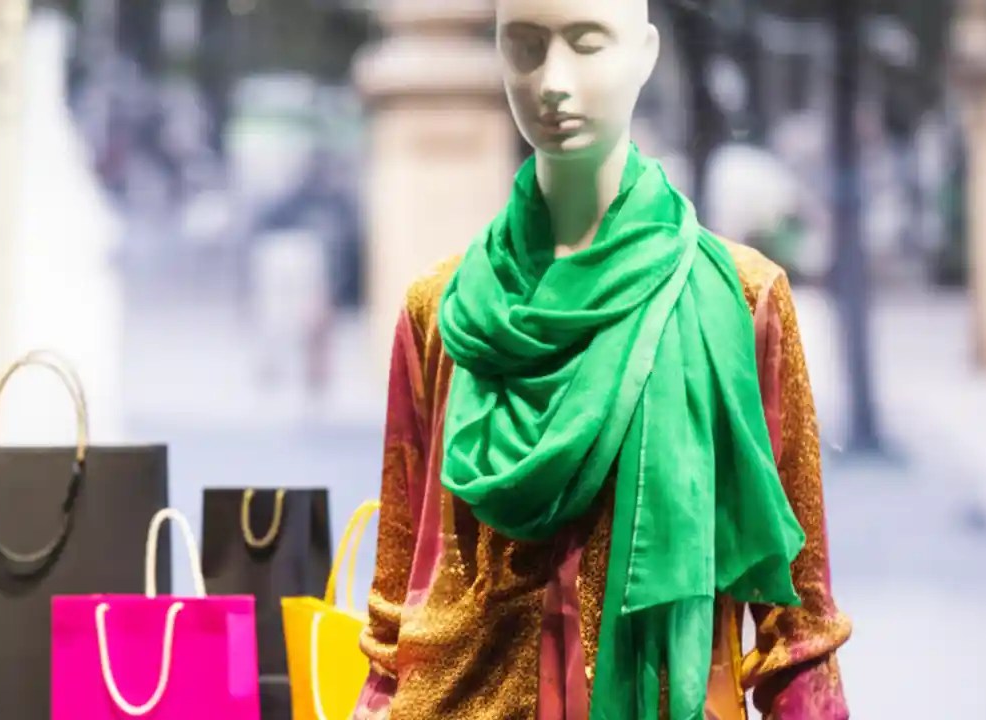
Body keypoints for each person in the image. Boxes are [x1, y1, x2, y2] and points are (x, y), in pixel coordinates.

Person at [351, 0, 852, 718]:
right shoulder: (442, 313)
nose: (553, 81)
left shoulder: (740, 301)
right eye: (526, 46)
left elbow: (799, 633)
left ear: (645, 53)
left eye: (586, 44)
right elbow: (394, 616)